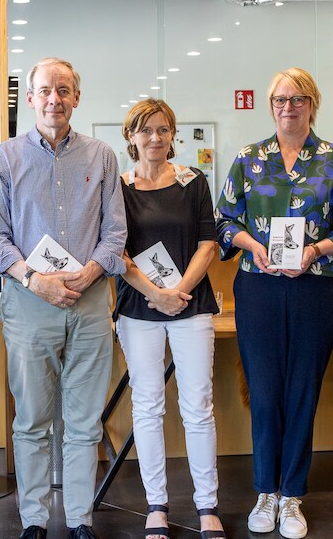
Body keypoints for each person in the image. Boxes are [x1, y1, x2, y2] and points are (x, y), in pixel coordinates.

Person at [0, 57, 126, 539]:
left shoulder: (102, 156)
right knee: (33, 420)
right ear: (30, 98)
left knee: (85, 420)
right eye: (45, 91)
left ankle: (81, 517)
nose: (54, 99)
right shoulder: (3, 159)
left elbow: (115, 232)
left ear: (76, 98)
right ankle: (35, 520)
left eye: (63, 90)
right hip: (29, 304)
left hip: (89, 303)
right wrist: (32, 278)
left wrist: (92, 270)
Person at [215, 67, 333, 539]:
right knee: (264, 391)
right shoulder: (248, 159)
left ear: (312, 104)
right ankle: (265, 493)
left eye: (298, 99)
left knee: (302, 392)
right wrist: (252, 245)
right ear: (270, 105)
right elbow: (223, 221)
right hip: (258, 287)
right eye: (280, 99)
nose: (288, 107)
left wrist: (316, 250)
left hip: (315, 289)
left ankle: (293, 495)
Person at [115, 99, 224, 539]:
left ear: (173, 135)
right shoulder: (117, 186)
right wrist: (155, 293)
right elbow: (114, 251)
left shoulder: (193, 181)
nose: (155, 138)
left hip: (190, 306)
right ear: (131, 137)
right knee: (148, 405)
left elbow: (208, 242)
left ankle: (206, 505)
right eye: (146, 131)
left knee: (197, 407)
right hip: (138, 307)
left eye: (163, 130)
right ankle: (156, 505)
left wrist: (177, 292)